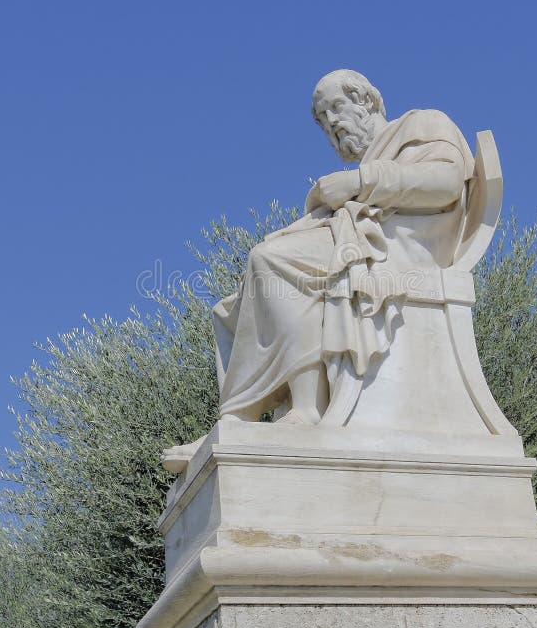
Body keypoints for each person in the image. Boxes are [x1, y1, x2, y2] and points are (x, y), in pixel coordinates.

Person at [162, 69, 474, 469]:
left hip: (400, 251)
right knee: (231, 307)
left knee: (271, 261)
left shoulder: (422, 123)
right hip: (364, 241)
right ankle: (237, 419)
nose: (333, 126)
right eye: (323, 122)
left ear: (368, 100)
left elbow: (446, 182)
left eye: (336, 110)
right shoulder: (371, 160)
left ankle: (303, 410)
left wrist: (360, 181)